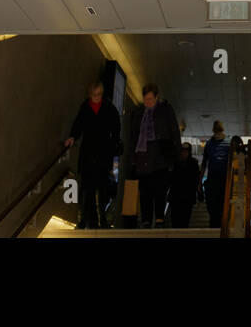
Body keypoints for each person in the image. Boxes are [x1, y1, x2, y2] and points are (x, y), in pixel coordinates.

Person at [64, 79, 122, 229]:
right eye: (94, 95)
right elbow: (78, 124)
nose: (96, 97)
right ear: (90, 94)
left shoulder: (109, 109)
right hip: (89, 153)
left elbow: (116, 130)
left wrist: (113, 145)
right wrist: (73, 136)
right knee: (86, 187)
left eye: (99, 95)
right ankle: (84, 219)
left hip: (103, 153)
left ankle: (101, 219)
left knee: (101, 187)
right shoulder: (86, 108)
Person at [129, 83, 180, 227]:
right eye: (145, 99)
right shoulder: (140, 112)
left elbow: (174, 131)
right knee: (145, 188)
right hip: (143, 154)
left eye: (150, 99)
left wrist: (175, 155)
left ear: (157, 97)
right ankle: (146, 219)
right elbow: (134, 135)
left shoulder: (165, 110)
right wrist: (133, 157)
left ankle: (159, 218)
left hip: (160, 152)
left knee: (159, 187)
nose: (148, 102)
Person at [199, 121, 231, 227]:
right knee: (222, 207)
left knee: (213, 209)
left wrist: (200, 181)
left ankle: (215, 227)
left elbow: (204, 163)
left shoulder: (209, 143)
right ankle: (221, 226)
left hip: (213, 181)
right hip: (224, 181)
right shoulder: (229, 142)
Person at [168, 143, 200, 228]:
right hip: (177, 196)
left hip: (186, 196)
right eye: (183, 151)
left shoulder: (192, 163)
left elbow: (196, 179)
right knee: (176, 219)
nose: (184, 153)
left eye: (186, 151)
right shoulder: (176, 162)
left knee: (184, 220)